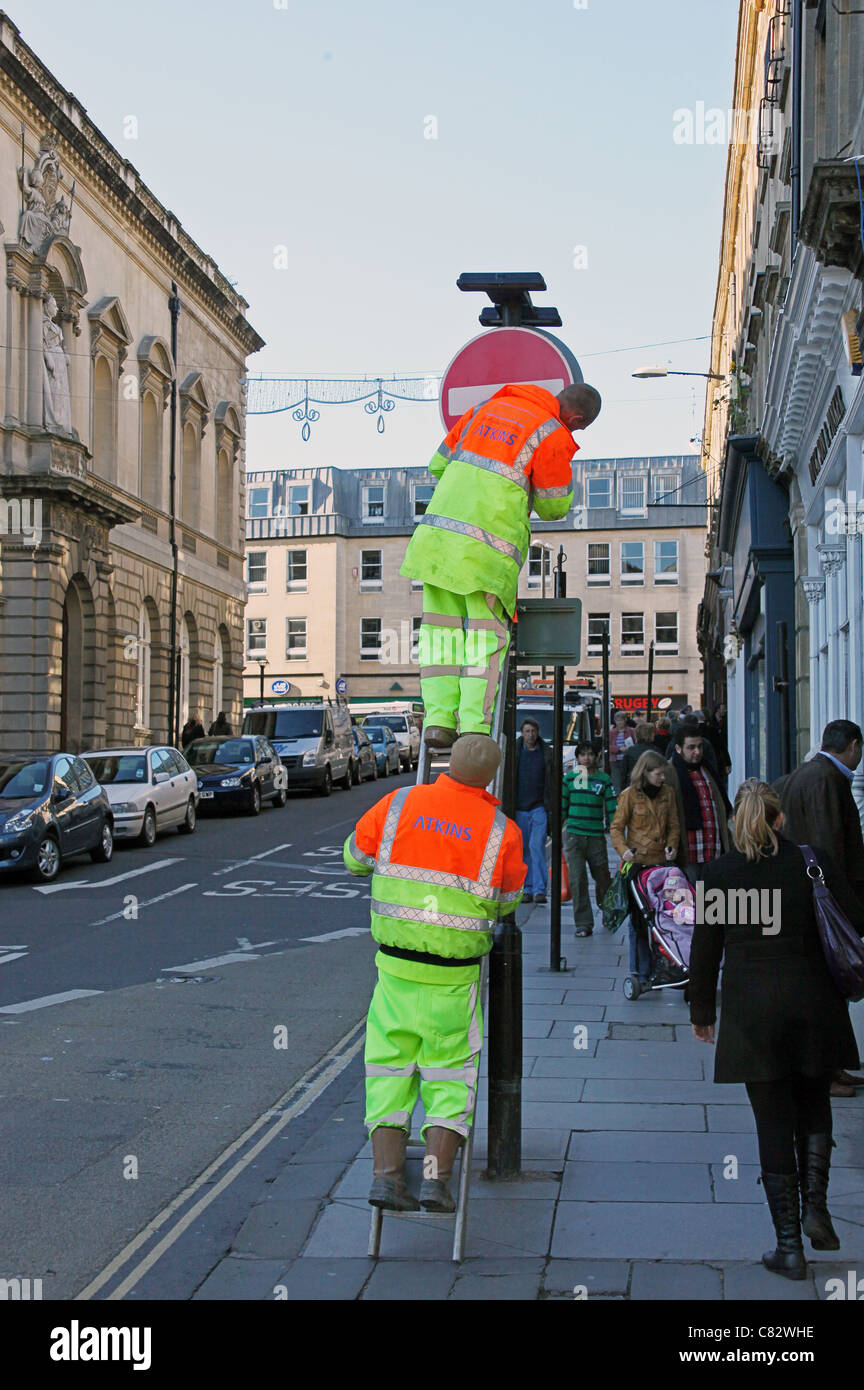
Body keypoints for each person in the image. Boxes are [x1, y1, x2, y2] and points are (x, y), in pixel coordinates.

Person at [689, 780, 864, 1280]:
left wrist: (703, 1010)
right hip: (814, 1004)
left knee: (771, 1121)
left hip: (752, 1011)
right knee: (814, 1103)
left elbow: (707, 949)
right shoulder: (813, 864)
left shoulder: (721, 875)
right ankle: (817, 1208)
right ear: (780, 819)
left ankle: (789, 1246)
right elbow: (854, 918)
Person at [343, 734, 525, 1213]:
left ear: (446, 763)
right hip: (454, 979)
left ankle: (385, 1178)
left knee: (387, 1072)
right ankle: (433, 1180)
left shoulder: (400, 802)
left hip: (395, 972)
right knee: (449, 1079)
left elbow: (354, 860)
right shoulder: (501, 830)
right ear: (491, 777)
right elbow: (508, 902)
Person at [401, 382, 602, 748]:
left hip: (437, 544)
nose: (574, 431)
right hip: (487, 555)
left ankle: (438, 721)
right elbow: (554, 507)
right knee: (483, 641)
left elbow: (437, 465)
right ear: (575, 417)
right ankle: (473, 726)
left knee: (440, 637)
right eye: (579, 427)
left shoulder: (481, 410)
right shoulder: (551, 433)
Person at [775, 719, 864, 1098]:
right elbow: (830, 847)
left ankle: (835, 1067)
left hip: (809, 896)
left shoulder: (806, 771)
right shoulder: (827, 778)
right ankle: (824, 1072)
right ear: (854, 745)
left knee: (828, 987)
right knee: (826, 988)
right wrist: (844, 903)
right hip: (822, 900)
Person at [610, 750, 680, 987]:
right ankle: (640, 971)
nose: (662, 778)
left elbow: (674, 825)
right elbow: (617, 828)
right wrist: (624, 851)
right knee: (639, 921)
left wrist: (672, 845)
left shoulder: (668, 794)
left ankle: (661, 967)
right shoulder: (629, 795)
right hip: (637, 865)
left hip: (661, 865)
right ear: (645, 772)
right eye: (658, 774)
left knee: (661, 918)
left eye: (663, 774)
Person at [562, 740, 617, 937]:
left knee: (602, 877)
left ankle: (608, 911)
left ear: (597, 757)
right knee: (578, 880)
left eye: (590, 754)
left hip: (595, 836)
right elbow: (563, 805)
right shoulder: (570, 778)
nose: (586, 758)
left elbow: (612, 807)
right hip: (574, 836)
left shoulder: (604, 779)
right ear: (577, 758)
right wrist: (555, 828)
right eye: (583, 754)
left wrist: (615, 829)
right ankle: (583, 923)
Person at [665, 721, 731, 873]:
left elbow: (719, 807)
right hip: (688, 854)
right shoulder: (669, 772)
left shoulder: (707, 769)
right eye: (691, 747)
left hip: (713, 849)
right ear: (678, 748)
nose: (697, 751)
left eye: (700, 746)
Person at [515, 717, 552, 905]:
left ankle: (539, 890)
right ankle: (527, 888)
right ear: (522, 732)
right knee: (523, 851)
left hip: (538, 807)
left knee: (536, 847)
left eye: (533, 731)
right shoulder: (515, 752)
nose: (531, 735)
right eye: (527, 731)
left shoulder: (546, 753)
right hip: (519, 807)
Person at [618, 720, 654, 788]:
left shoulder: (630, 751)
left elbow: (623, 773)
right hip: (650, 785)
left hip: (633, 784)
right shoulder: (656, 751)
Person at [609, 710, 635, 794]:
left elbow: (635, 744)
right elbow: (609, 747)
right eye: (617, 720)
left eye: (621, 720)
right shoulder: (611, 732)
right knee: (617, 783)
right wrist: (619, 748)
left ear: (625, 721)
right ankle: (618, 803)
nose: (619, 722)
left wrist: (629, 749)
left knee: (628, 782)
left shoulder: (631, 731)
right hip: (615, 761)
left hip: (628, 760)